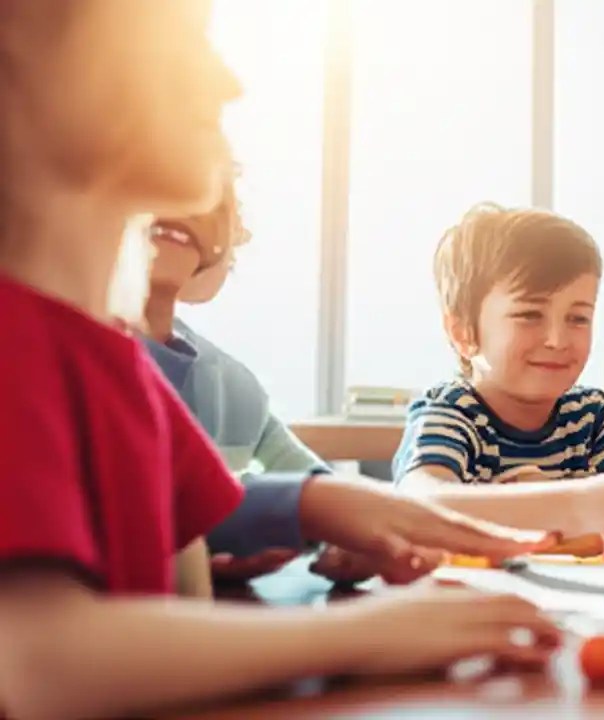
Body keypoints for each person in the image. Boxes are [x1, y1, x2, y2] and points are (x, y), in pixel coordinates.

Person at [0, 3, 557, 717]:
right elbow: (40, 662)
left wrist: (332, 504)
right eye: (185, 44)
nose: (228, 84)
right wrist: (365, 634)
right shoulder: (19, 341)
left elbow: (210, 532)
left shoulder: (116, 363)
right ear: (27, 53)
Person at [145, 174, 529, 584]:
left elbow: (312, 482)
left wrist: (354, 540)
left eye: (210, 196)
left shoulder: (234, 387)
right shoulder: (78, 360)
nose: (186, 201)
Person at [393, 203, 604, 539]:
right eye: (529, 315)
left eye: (578, 318)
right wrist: (571, 506)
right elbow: (420, 505)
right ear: (463, 332)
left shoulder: (590, 415)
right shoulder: (451, 414)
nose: (557, 340)